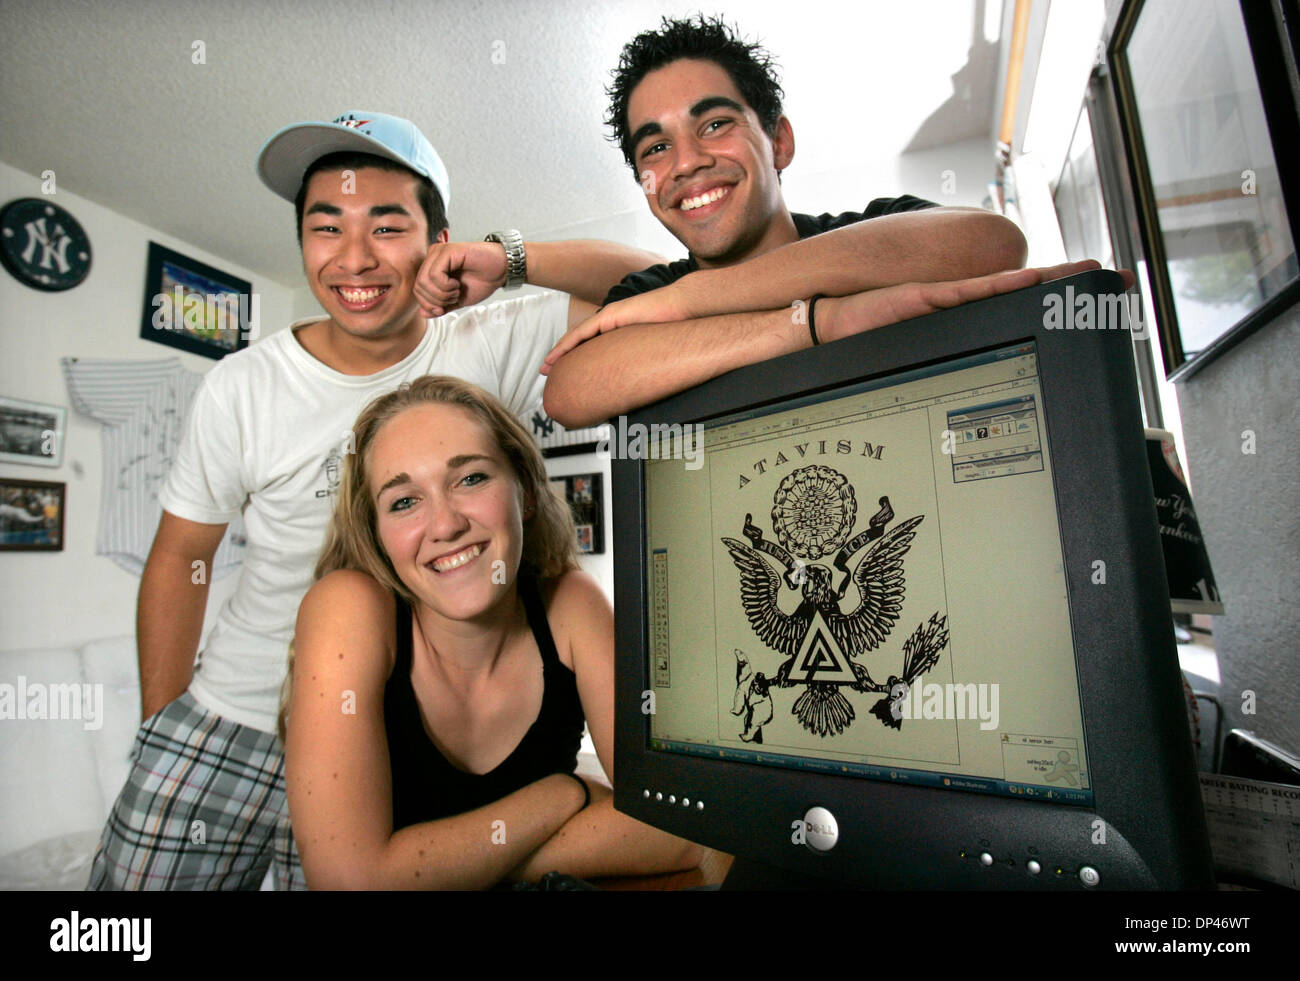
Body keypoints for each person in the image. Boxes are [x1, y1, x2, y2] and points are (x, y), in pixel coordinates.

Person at [87, 110, 664, 890]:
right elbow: (181, 554)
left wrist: (511, 259)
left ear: (439, 239)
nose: (354, 257)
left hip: (380, 741)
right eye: (326, 227)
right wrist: (163, 724)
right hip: (235, 715)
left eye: (387, 226)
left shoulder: (488, 336)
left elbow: (661, 285)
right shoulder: (243, 386)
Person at [541, 15, 1116, 427]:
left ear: (779, 141)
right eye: (655, 149)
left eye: (714, 124)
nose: (687, 161)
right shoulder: (645, 296)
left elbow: (993, 243)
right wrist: (815, 323)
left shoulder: (872, 229)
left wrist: (693, 302)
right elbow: (568, 392)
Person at [285, 375, 702, 888]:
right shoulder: (347, 606)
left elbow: (681, 825)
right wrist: (564, 795)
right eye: (403, 502)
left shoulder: (569, 604)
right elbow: (350, 883)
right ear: (376, 538)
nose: (444, 525)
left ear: (525, 493)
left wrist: (466, 869)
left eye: (471, 479)